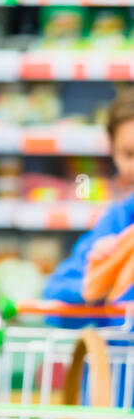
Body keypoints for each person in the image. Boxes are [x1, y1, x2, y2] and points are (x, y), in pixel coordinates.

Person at [43, 93, 134, 309]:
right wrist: (96, 279)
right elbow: (53, 299)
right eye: (129, 154)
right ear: (112, 151)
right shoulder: (118, 220)